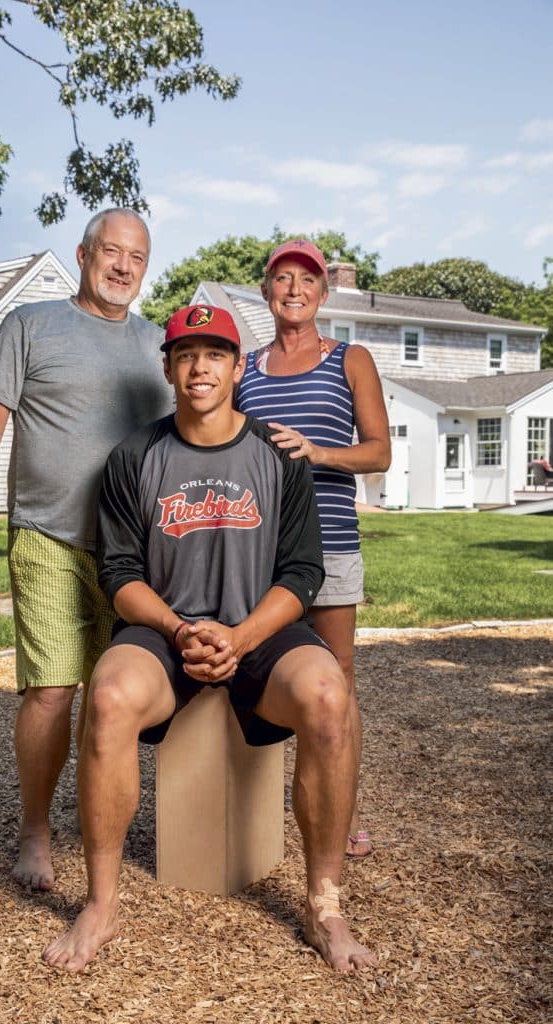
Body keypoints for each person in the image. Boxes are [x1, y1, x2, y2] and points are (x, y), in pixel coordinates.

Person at [43, 304, 377, 973]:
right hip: (164, 631)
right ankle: (101, 905)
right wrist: (177, 628)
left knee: (328, 697)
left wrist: (242, 636)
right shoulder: (134, 456)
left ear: (235, 368)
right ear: (167, 368)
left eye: (215, 354)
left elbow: (302, 572)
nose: (200, 367)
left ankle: (325, 906)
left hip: (258, 631)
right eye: (186, 355)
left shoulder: (276, 454)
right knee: (107, 698)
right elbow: (119, 574)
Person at [0, 208, 173, 892]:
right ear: (83, 254)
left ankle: (95, 820)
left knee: (112, 694)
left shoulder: (159, 346)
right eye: (111, 251)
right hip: (47, 534)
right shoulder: (30, 325)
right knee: (52, 689)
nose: (122, 267)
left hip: (131, 553)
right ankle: (35, 830)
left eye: (136, 258)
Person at [236, 239, 391, 858]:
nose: (294, 289)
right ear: (266, 291)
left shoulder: (351, 359)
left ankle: (339, 809)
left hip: (329, 541)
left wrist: (317, 451)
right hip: (258, 552)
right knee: (259, 671)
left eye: (307, 280)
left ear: (324, 293)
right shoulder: (245, 368)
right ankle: (250, 811)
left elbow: (378, 452)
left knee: (337, 678)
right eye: (283, 278)